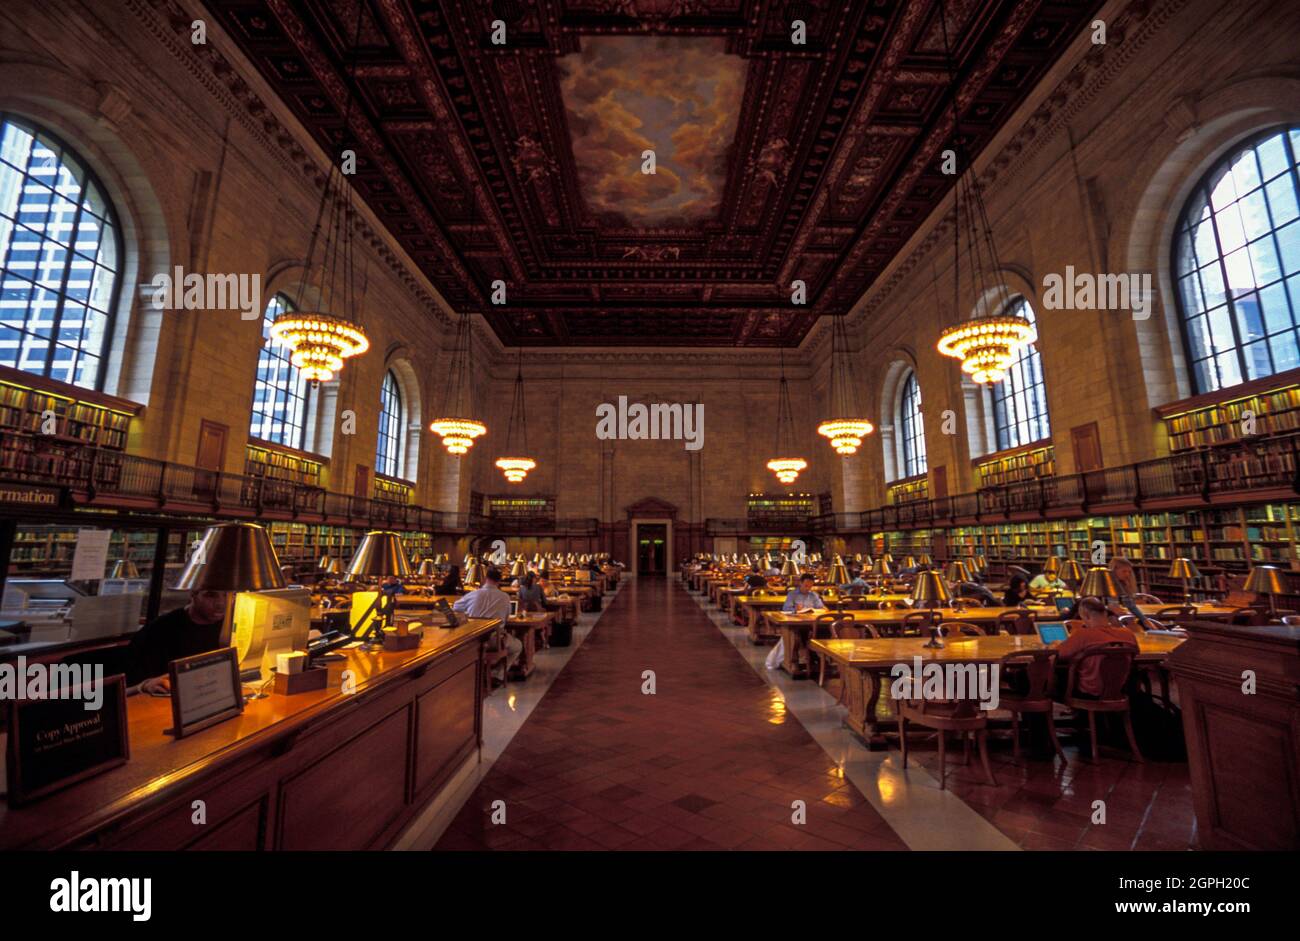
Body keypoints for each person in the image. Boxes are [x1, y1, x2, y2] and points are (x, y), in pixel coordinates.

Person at [127, 589, 230, 693]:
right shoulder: (159, 630)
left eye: (228, 595)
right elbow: (126, 688)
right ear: (193, 594)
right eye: (211, 595)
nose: (221, 604)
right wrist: (144, 686)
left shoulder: (233, 625)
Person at [1054, 596, 1139, 697]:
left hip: (1088, 693)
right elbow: (1135, 654)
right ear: (1106, 613)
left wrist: (1055, 644)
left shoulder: (1083, 635)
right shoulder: (1128, 634)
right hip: (1123, 690)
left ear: (1085, 615)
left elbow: (1058, 655)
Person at [452, 567, 522, 676]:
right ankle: (497, 673)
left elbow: (455, 607)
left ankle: (475, 673)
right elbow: (507, 617)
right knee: (518, 646)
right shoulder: (505, 597)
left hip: (473, 641)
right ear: (499, 581)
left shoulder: (473, 595)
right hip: (494, 641)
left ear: (485, 578)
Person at [766, 575, 826, 670]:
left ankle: (817, 656)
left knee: (824, 630)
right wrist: (795, 609)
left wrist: (822, 609)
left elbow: (821, 607)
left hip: (812, 622)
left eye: (810, 586)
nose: (808, 588)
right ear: (800, 583)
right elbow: (785, 608)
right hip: (797, 622)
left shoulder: (813, 595)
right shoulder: (792, 594)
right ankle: (797, 659)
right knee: (797, 635)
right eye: (806, 585)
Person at [1109, 557, 1156, 630]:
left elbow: (1130, 605)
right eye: (1124, 571)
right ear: (1114, 570)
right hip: (1112, 621)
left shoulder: (1123, 585)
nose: (1127, 574)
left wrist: (1145, 620)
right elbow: (1112, 605)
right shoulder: (1108, 585)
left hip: (1123, 619)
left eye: (1129, 572)